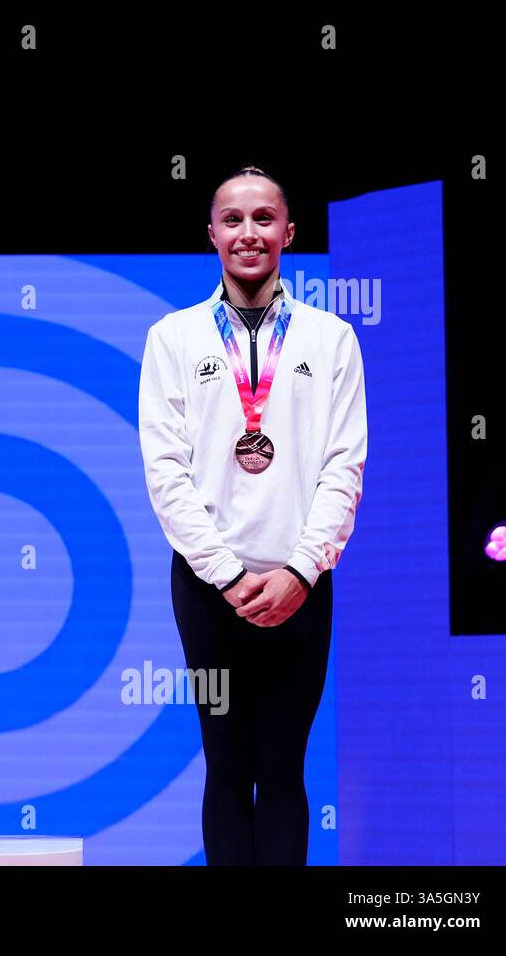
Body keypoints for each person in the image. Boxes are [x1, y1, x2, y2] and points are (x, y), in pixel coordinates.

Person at [137, 166, 367, 865]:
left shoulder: (331, 339)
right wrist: (229, 574)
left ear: (289, 233)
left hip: (302, 585)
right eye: (233, 220)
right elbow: (165, 472)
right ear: (211, 234)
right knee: (227, 768)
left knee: (286, 771)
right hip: (209, 589)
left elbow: (344, 464)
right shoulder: (172, 338)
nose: (248, 233)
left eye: (263, 219)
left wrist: (300, 569)